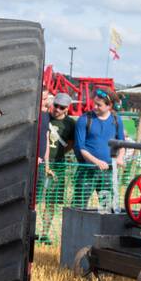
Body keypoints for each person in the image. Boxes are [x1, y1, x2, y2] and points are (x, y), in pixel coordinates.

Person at [74, 87, 126, 210]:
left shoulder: (116, 120)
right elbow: (81, 147)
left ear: (110, 106)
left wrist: (120, 157)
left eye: (99, 105)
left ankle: (103, 228)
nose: (95, 107)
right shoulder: (84, 120)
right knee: (79, 206)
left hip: (108, 172)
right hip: (87, 171)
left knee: (106, 207)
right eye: (94, 103)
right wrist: (96, 162)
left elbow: (122, 143)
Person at [38, 93, 77, 241]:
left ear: (67, 109)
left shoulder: (70, 124)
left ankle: (44, 233)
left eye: (62, 107)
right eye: (56, 105)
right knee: (34, 199)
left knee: (51, 201)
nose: (58, 109)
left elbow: (72, 143)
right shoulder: (44, 117)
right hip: (41, 163)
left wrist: (60, 153)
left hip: (58, 165)